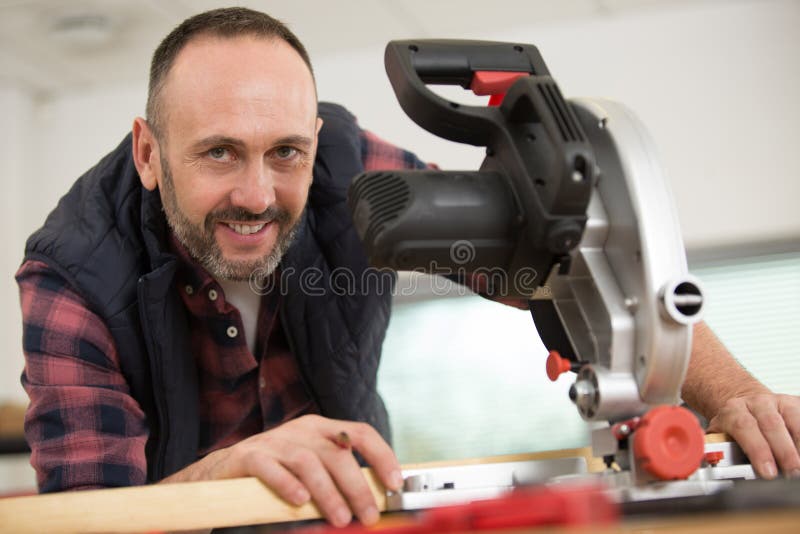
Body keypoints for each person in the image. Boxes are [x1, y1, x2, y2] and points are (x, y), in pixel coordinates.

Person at [16, 6, 800, 529]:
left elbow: (566, 264)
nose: (257, 194)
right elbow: (89, 519)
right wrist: (227, 474)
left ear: (316, 141)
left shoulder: (357, 176)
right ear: (150, 153)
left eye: (285, 152)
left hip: (358, 509)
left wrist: (739, 396)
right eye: (219, 152)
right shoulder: (73, 275)